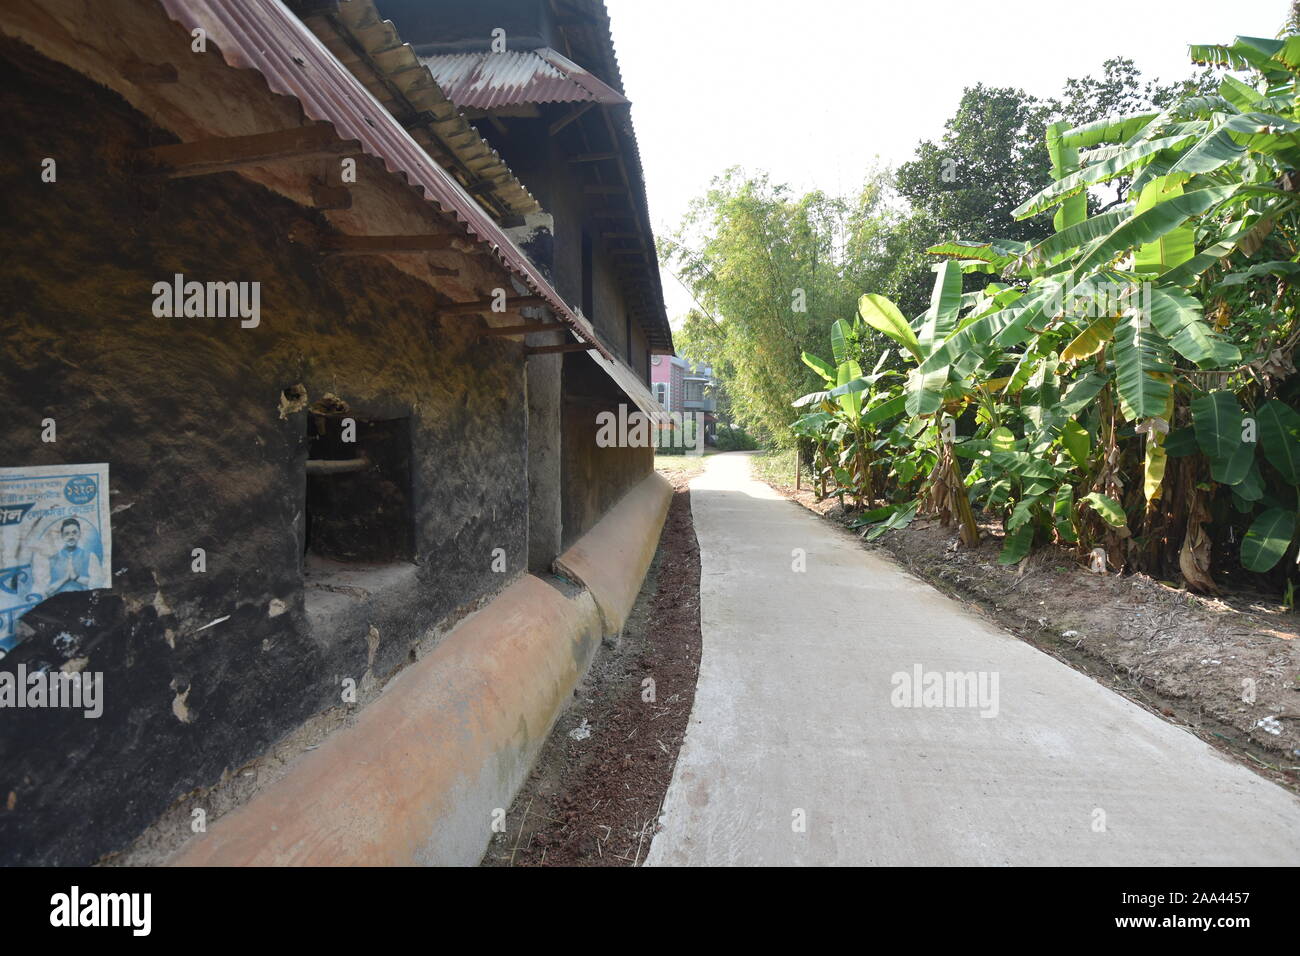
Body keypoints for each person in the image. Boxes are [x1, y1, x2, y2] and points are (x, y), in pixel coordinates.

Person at [45, 517, 103, 595]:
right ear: (62, 536)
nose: (71, 537)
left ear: (79, 534)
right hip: (58, 601)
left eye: (74, 532)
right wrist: (65, 578)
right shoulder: (52, 559)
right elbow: (46, 591)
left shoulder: (90, 556)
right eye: (67, 533)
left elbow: (98, 584)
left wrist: (76, 577)